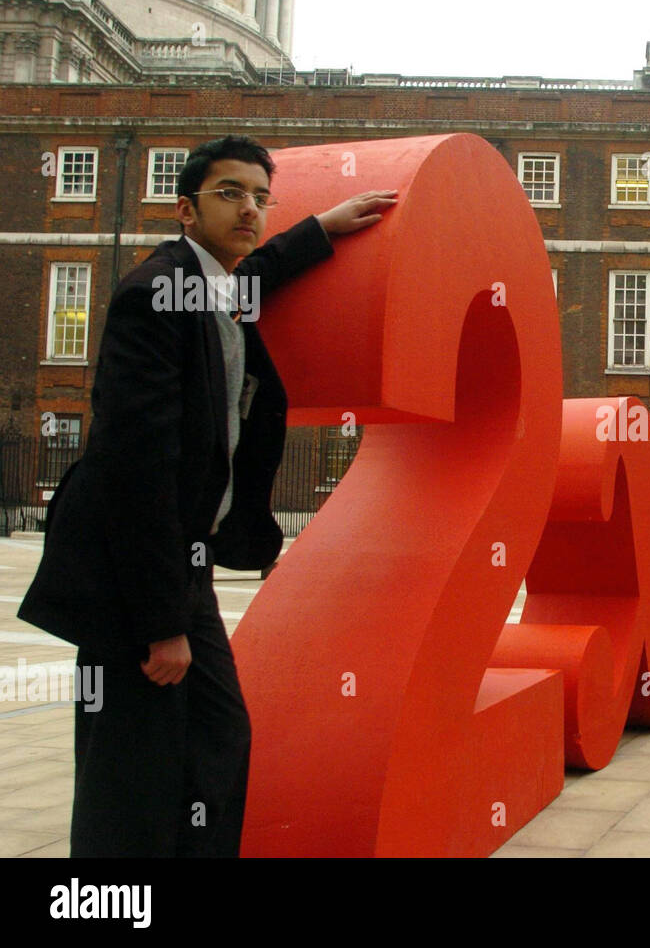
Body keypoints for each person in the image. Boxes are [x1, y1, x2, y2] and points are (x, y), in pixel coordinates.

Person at [18, 135, 398, 857]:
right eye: (231, 193)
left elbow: (261, 268)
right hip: (128, 570)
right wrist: (162, 622)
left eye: (261, 195)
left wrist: (324, 227)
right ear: (186, 210)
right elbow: (138, 472)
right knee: (129, 763)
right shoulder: (150, 299)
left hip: (175, 561)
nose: (250, 208)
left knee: (216, 735)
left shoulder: (213, 287)